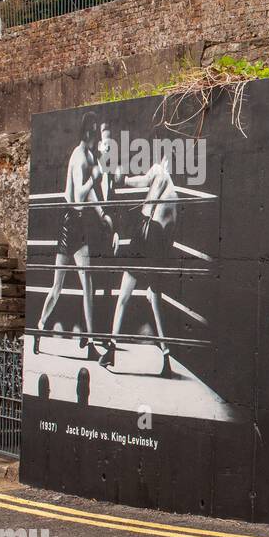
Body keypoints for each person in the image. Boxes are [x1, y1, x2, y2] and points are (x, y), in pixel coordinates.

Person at [34, 113, 113, 357]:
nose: (97, 136)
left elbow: (89, 197)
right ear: (87, 132)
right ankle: (40, 328)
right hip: (69, 220)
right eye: (94, 131)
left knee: (87, 281)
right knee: (57, 285)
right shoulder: (78, 157)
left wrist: (102, 215)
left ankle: (89, 342)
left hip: (78, 222)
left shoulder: (90, 156)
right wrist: (94, 179)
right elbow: (79, 195)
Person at [99, 156, 178, 376]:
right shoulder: (176, 197)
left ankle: (112, 349)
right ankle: (166, 356)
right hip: (159, 243)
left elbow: (143, 180)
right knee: (154, 297)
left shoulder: (159, 172)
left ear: (165, 161)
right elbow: (169, 236)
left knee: (124, 295)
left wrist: (122, 180)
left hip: (145, 233)